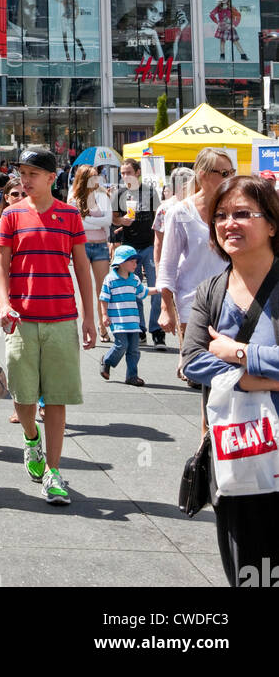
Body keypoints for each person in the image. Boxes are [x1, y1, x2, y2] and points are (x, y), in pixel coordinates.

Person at [182, 175, 279, 588]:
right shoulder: (212, 290)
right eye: (220, 216)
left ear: (272, 223)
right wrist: (255, 379)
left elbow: (216, 354)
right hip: (235, 450)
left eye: (243, 214)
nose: (228, 224)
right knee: (247, 572)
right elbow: (192, 360)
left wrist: (239, 353)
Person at [0, 147, 96, 506]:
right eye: (22, 172)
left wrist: (89, 317)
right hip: (21, 319)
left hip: (62, 319)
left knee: (56, 398)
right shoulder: (11, 216)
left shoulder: (70, 216)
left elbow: (82, 267)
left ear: (52, 178)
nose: (25, 179)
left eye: (33, 173)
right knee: (22, 397)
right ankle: (30, 438)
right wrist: (3, 303)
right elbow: (0, 267)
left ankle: (53, 471)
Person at [157, 148, 231, 377]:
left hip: (230, 298)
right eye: (224, 173)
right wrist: (165, 308)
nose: (230, 178)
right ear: (203, 174)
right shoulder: (179, 212)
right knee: (198, 370)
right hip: (192, 298)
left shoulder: (233, 211)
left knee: (223, 370)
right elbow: (168, 264)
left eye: (232, 172)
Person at [113, 157, 164, 347]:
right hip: (129, 247)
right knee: (135, 291)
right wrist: (121, 221)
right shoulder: (119, 193)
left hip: (149, 245)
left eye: (128, 172)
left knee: (156, 288)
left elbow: (159, 218)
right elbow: (114, 219)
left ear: (137, 173)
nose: (125, 176)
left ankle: (157, 330)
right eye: (122, 173)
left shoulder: (150, 192)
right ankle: (140, 329)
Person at [70, 164, 113, 345]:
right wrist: (96, 222)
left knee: (102, 289)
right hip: (82, 245)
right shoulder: (73, 197)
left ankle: (102, 326)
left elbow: (108, 220)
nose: (96, 179)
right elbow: (75, 224)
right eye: (92, 177)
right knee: (84, 288)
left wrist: (86, 220)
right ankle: (86, 326)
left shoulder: (102, 195)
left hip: (101, 245)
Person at [98, 244, 151, 386]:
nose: (135, 264)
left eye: (136, 261)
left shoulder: (135, 279)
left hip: (133, 321)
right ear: (121, 262)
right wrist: (104, 315)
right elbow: (104, 298)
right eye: (132, 261)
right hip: (118, 321)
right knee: (121, 345)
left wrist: (159, 289)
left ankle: (132, 376)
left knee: (134, 350)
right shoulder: (110, 279)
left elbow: (143, 292)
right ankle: (107, 361)